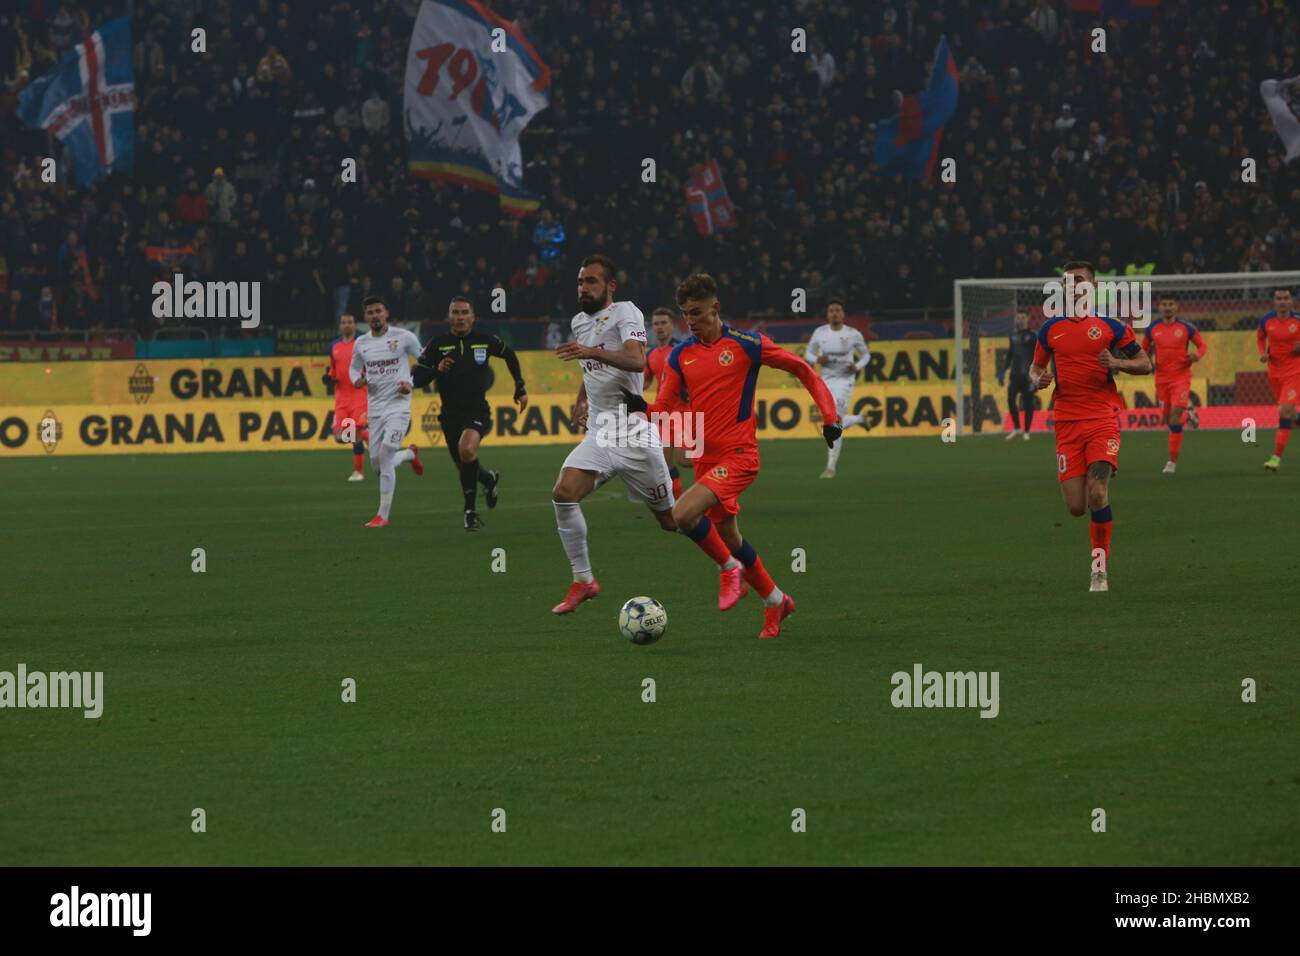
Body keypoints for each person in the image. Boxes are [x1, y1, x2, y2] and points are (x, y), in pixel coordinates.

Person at [623, 273, 842, 638]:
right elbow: (663, 407)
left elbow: (802, 368)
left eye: (697, 312)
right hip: (707, 460)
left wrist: (830, 417)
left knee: (681, 514)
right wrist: (639, 406)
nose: (690, 321)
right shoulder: (681, 356)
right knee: (731, 538)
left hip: (740, 456)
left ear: (716, 307)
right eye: (685, 315)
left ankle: (728, 571)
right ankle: (777, 601)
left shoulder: (747, 344)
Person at [549, 256, 678, 614]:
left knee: (671, 521)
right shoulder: (579, 321)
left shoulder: (626, 312)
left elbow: (637, 360)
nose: (583, 288)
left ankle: (731, 562)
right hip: (600, 432)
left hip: (633, 431)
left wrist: (591, 351)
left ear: (610, 286)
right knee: (563, 493)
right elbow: (588, 368)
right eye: (580, 281)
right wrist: (580, 400)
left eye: (591, 281)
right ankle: (584, 580)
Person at [1028, 261, 1151, 592]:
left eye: (1080, 280)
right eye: (1068, 281)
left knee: (1097, 493)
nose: (1073, 285)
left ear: (1093, 287)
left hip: (1101, 417)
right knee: (1076, 507)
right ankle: (1104, 468)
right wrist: (1038, 379)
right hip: (1066, 423)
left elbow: (1146, 363)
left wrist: (1118, 363)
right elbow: (1034, 369)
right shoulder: (1050, 329)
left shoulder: (1110, 326)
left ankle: (1099, 570)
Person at [412, 296, 526, 529]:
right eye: (456, 313)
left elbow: (510, 355)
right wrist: (436, 369)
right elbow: (416, 377)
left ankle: (469, 511)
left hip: (477, 410)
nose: (460, 317)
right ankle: (489, 479)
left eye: (465, 313)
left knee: (466, 449)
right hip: (449, 414)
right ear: (449, 317)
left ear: (473, 317)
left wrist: (520, 386)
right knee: (465, 464)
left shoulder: (485, 341)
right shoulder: (437, 343)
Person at [348, 296, 424, 527]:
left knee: (387, 451)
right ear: (366, 318)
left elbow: (427, 361)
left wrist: (410, 381)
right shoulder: (361, 343)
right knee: (378, 465)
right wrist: (356, 381)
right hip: (375, 408)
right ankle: (410, 454)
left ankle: (383, 515)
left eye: (378, 311)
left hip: (399, 405)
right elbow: (354, 368)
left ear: (386, 313)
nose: (375, 315)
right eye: (370, 312)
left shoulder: (404, 337)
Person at [1141, 296, 1206, 474]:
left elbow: (1202, 345)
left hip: (1181, 377)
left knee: (1175, 414)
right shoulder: (1152, 328)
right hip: (1161, 379)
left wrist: (1197, 355)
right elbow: (1143, 349)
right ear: (1159, 307)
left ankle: (1171, 463)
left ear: (1176, 307)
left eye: (1171, 304)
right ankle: (1189, 416)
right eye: (1164, 304)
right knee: (1169, 420)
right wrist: (1146, 363)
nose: (1167, 307)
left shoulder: (1186, 327)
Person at [805, 300, 870, 477]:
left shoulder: (853, 334)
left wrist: (857, 367)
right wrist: (818, 359)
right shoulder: (820, 333)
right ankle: (858, 419)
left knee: (834, 420)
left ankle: (831, 467)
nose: (834, 313)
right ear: (827, 314)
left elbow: (866, 355)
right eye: (831, 310)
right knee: (832, 419)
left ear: (843, 314)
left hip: (845, 381)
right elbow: (808, 354)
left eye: (838, 310)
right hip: (825, 380)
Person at [642, 306, 689, 499]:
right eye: (656, 324)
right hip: (662, 414)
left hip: (685, 413)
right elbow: (644, 382)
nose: (659, 327)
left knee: (686, 460)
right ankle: (679, 504)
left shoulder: (681, 350)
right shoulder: (650, 354)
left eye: (664, 323)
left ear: (672, 326)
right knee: (664, 462)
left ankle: (720, 462)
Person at [1257, 286, 1300, 471]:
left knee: (1283, 411)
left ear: (1291, 301)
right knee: (1288, 413)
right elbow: (1260, 338)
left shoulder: (1298, 320)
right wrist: (1262, 353)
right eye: (1279, 298)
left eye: (1285, 298)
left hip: (1295, 371)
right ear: (1274, 301)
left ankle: (1275, 458)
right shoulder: (1267, 320)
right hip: (1274, 372)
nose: (1282, 301)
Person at [325, 311, 368, 480]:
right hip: (342, 398)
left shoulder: (362, 343)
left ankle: (358, 471)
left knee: (355, 432)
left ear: (355, 325)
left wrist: (366, 379)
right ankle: (370, 436)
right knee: (339, 437)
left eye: (350, 322)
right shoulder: (333, 346)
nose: (347, 325)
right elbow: (333, 369)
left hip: (359, 396)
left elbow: (370, 365)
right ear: (340, 326)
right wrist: (329, 377)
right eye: (344, 322)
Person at [998, 309, 1038, 441]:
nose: (1020, 320)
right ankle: (1016, 428)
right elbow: (1010, 355)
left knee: (1028, 402)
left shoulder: (1033, 336)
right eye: (1018, 317)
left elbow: (1038, 356)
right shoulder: (1013, 336)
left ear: (1028, 318)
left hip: (1028, 375)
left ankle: (1026, 431)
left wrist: (1037, 373)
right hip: (1014, 375)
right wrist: (1003, 371)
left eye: (1022, 317)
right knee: (1010, 399)